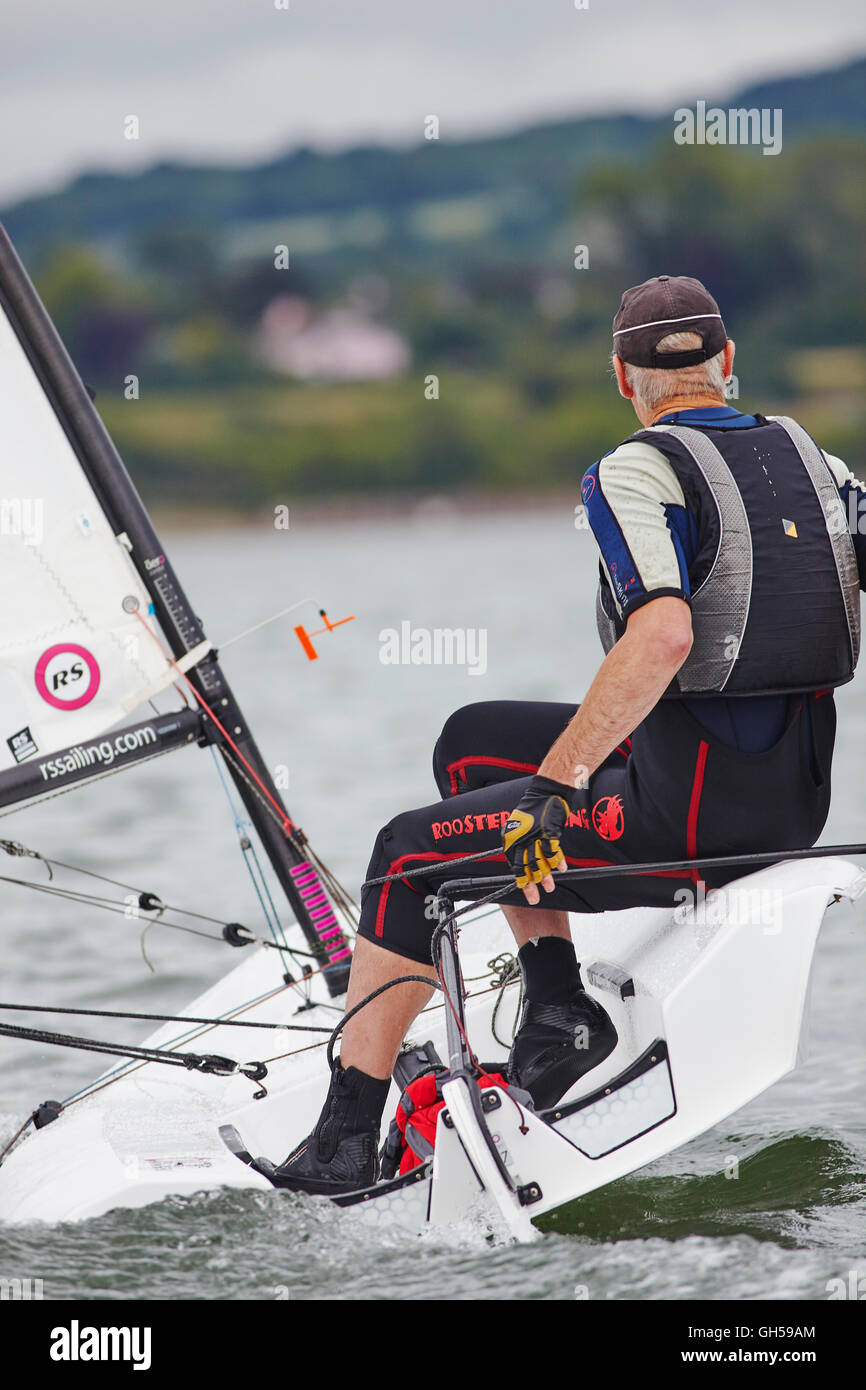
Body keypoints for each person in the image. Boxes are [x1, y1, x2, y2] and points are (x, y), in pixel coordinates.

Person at [272, 274, 866, 1195]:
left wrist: (557, 789)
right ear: (730, 363)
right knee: (471, 745)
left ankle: (343, 1137)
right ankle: (557, 1007)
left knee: (404, 854)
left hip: (686, 824)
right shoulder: (817, 464)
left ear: (623, 377)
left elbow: (664, 633)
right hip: (794, 800)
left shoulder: (633, 469)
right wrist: (556, 772)